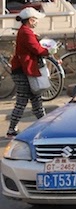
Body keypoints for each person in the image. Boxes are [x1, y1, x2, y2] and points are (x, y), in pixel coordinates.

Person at [6, 8, 49, 138]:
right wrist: (48, 51)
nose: (36, 22)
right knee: (23, 100)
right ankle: (12, 129)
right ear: (30, 20)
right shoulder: (26, 33)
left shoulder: (25, 31)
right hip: (23, 71)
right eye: (35, 20)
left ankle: (45, 125)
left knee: (36, 99)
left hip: (24, 70)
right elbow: (36, 49)